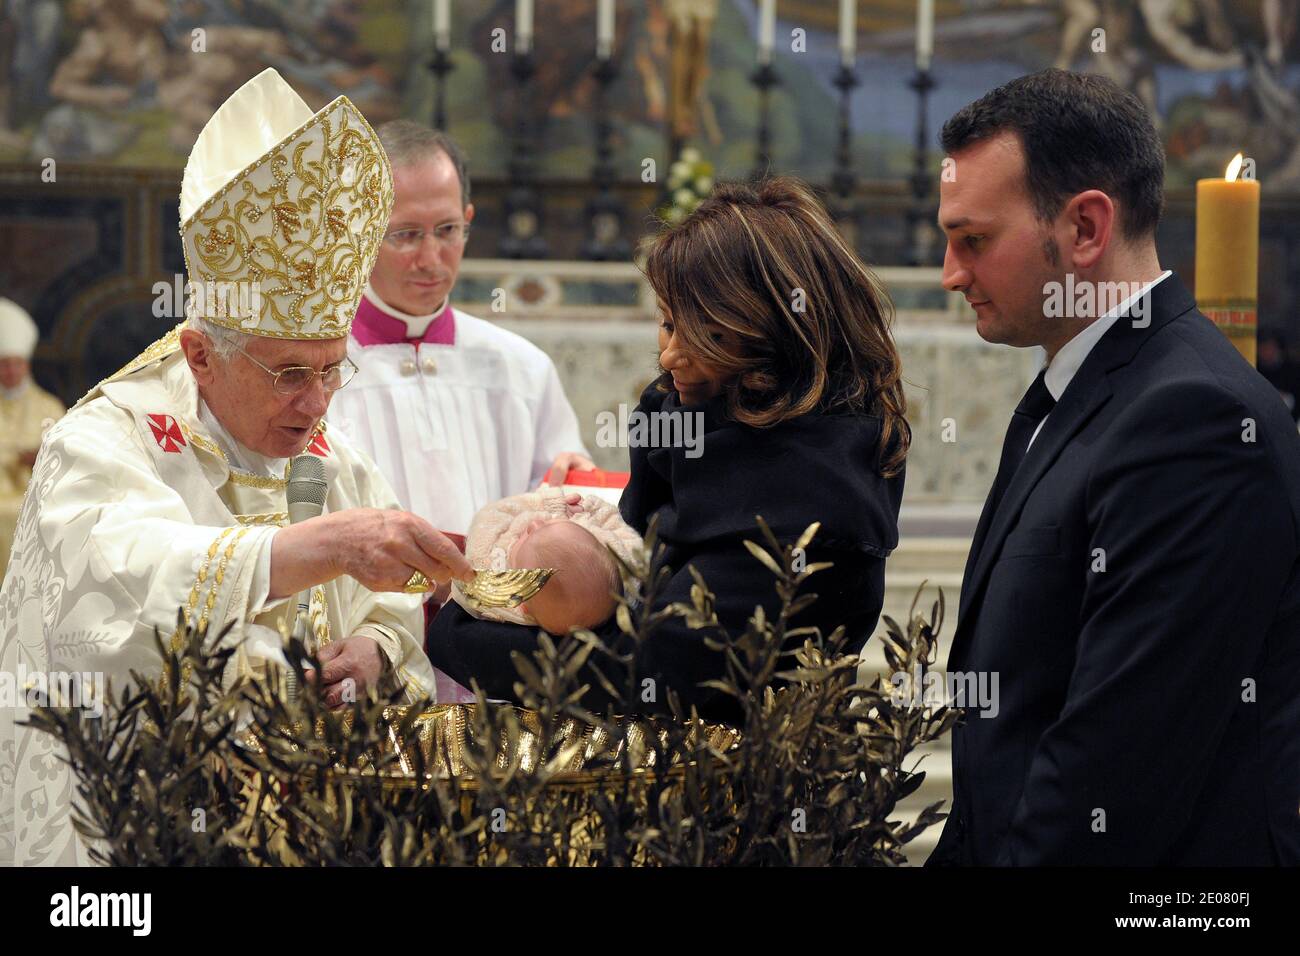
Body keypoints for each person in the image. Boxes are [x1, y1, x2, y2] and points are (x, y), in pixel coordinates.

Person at [0, 68, 473, 867]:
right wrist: (308, 551)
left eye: (333, 369)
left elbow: (387, 612)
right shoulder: (104, 441)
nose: (318, 401)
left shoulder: (327, 452)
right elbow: (111, 598)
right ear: (199, 354)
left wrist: (377, 652)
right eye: (290, 373)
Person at [928, 69, 1300, 866]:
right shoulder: (1077, 390)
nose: (951, 275)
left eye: (975, 240)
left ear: (1087, 228)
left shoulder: (1192, 421)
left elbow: (1110, 781)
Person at [426, 177, 908, 725]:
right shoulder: (692, 424)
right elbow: (630, 576)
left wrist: (456, 635)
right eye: (668, 323)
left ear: (769, 334)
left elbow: (649, 673)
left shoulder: (809, 483)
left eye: (705, 334)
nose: (673, 355)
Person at [327, 121, 591, 542]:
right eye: (407, 235)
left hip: (496, 607)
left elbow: (567, 510)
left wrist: (577, 494)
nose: (431, 259)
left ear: (468, 219)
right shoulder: (315, 371)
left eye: (447, 231)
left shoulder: (522, 367)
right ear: (359, 230)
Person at [452, 486, 642, 634]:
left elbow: (489, 518)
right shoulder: (620, 574)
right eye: (551, 523)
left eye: (525, 539)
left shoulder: (495, 587)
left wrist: (548, 503)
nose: (534, 524)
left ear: (522, 604)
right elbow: (630, 543)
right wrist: (589, 511)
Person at [0, 298, 64, 499]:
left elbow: (64, 456)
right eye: (4, 364)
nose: (11, 371)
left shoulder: (49, 408)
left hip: (36, 499)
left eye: (16, 363)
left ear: (26, 366)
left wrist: (40, 458)